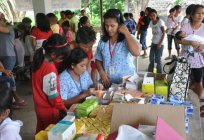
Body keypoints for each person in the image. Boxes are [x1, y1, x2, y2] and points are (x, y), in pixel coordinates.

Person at [32, 34, 69, 133]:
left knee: (41, 133)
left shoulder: (39, 60)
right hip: (49, 111)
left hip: (39, 107)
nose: (61, 61)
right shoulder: (49, 69)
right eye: (61, 58)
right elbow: (53, 97)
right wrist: (63, 108)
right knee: (51, 134)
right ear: (53, 55)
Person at [95, 9, 141, 87]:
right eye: (106, 25)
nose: (109, 29)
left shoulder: (127, 38)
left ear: (120, 25)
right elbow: (98, 59)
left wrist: (126, 33)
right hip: (109, 83)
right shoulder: (103, 41)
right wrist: (101, 71)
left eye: (112, 26)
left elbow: (137, 52)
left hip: (127, 83)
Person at [176, 4, 204, 99]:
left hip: (199, 61)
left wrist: (203, 45)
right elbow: (177, 39)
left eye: (203, 13)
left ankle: (198, 101)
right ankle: (181, 100)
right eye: (198, 13)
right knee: (182, 80)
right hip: (185, 59)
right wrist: (190, 42)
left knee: (198, 82)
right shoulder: (185, 26)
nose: (201, 16)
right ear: (191, 15)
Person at [147, 9, 165, 73]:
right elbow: (154, 34)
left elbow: (163, 33)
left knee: (158, 59)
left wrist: (159, 44)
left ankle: (159, 73)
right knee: (151, 58)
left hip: (160, 44)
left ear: (156, 15)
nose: (152, 17)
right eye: (150, 16)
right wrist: (152, 43)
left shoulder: (160, 22)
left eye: (153, 15)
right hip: (153, 43)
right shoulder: (151, 23)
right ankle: (150, 70)